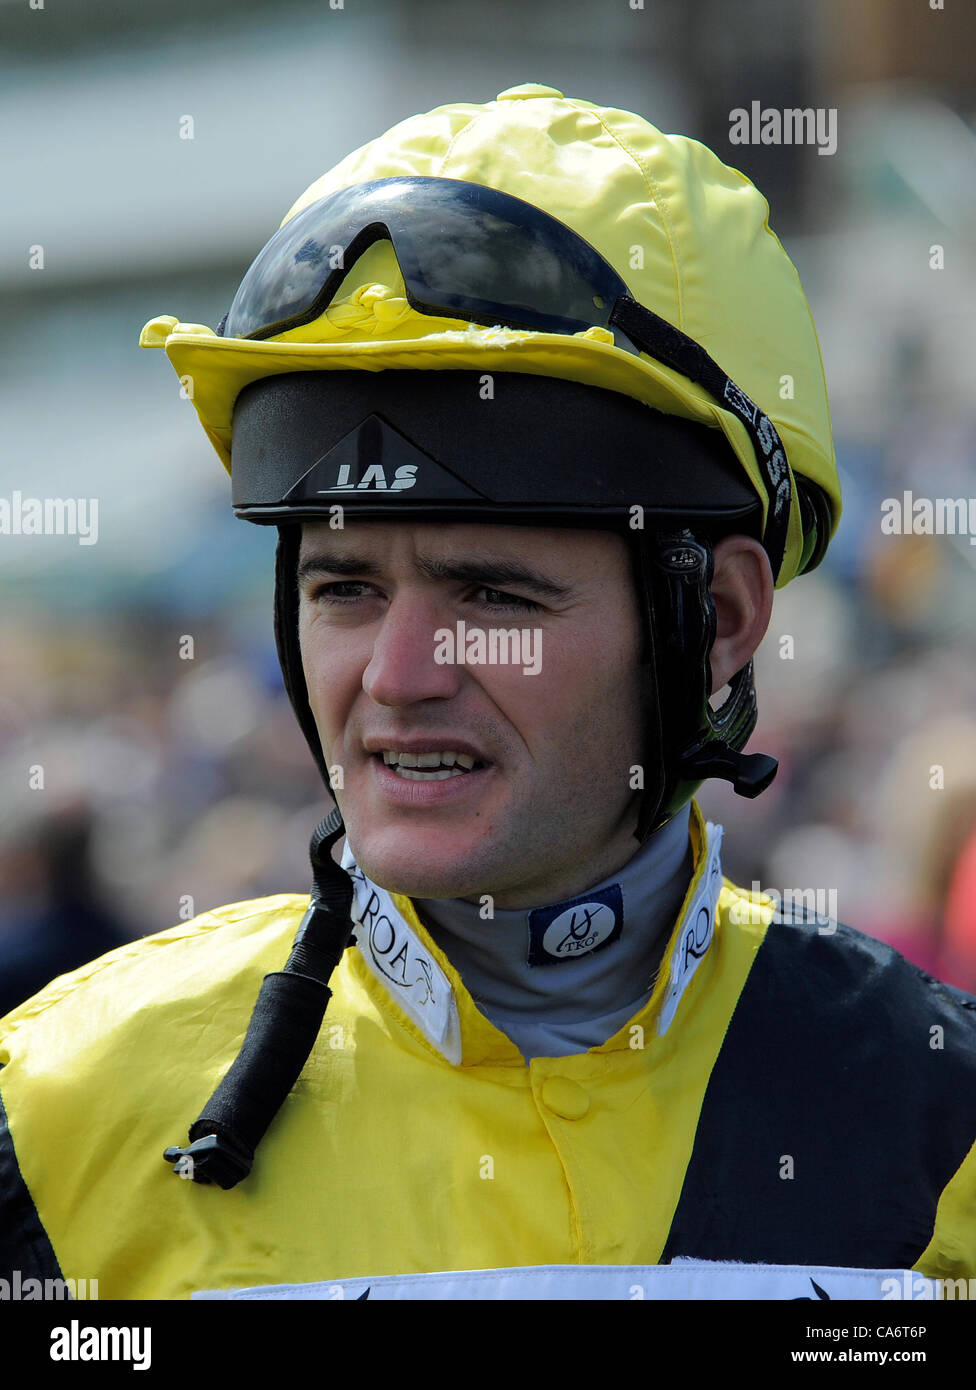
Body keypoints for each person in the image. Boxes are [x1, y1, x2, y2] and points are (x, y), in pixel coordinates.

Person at [2, 85, 975, 1302]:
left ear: (717, 621)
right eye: (345, 586)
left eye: (494, 595)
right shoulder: (50, 1114)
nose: (396, 677)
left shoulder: (944, 1122)